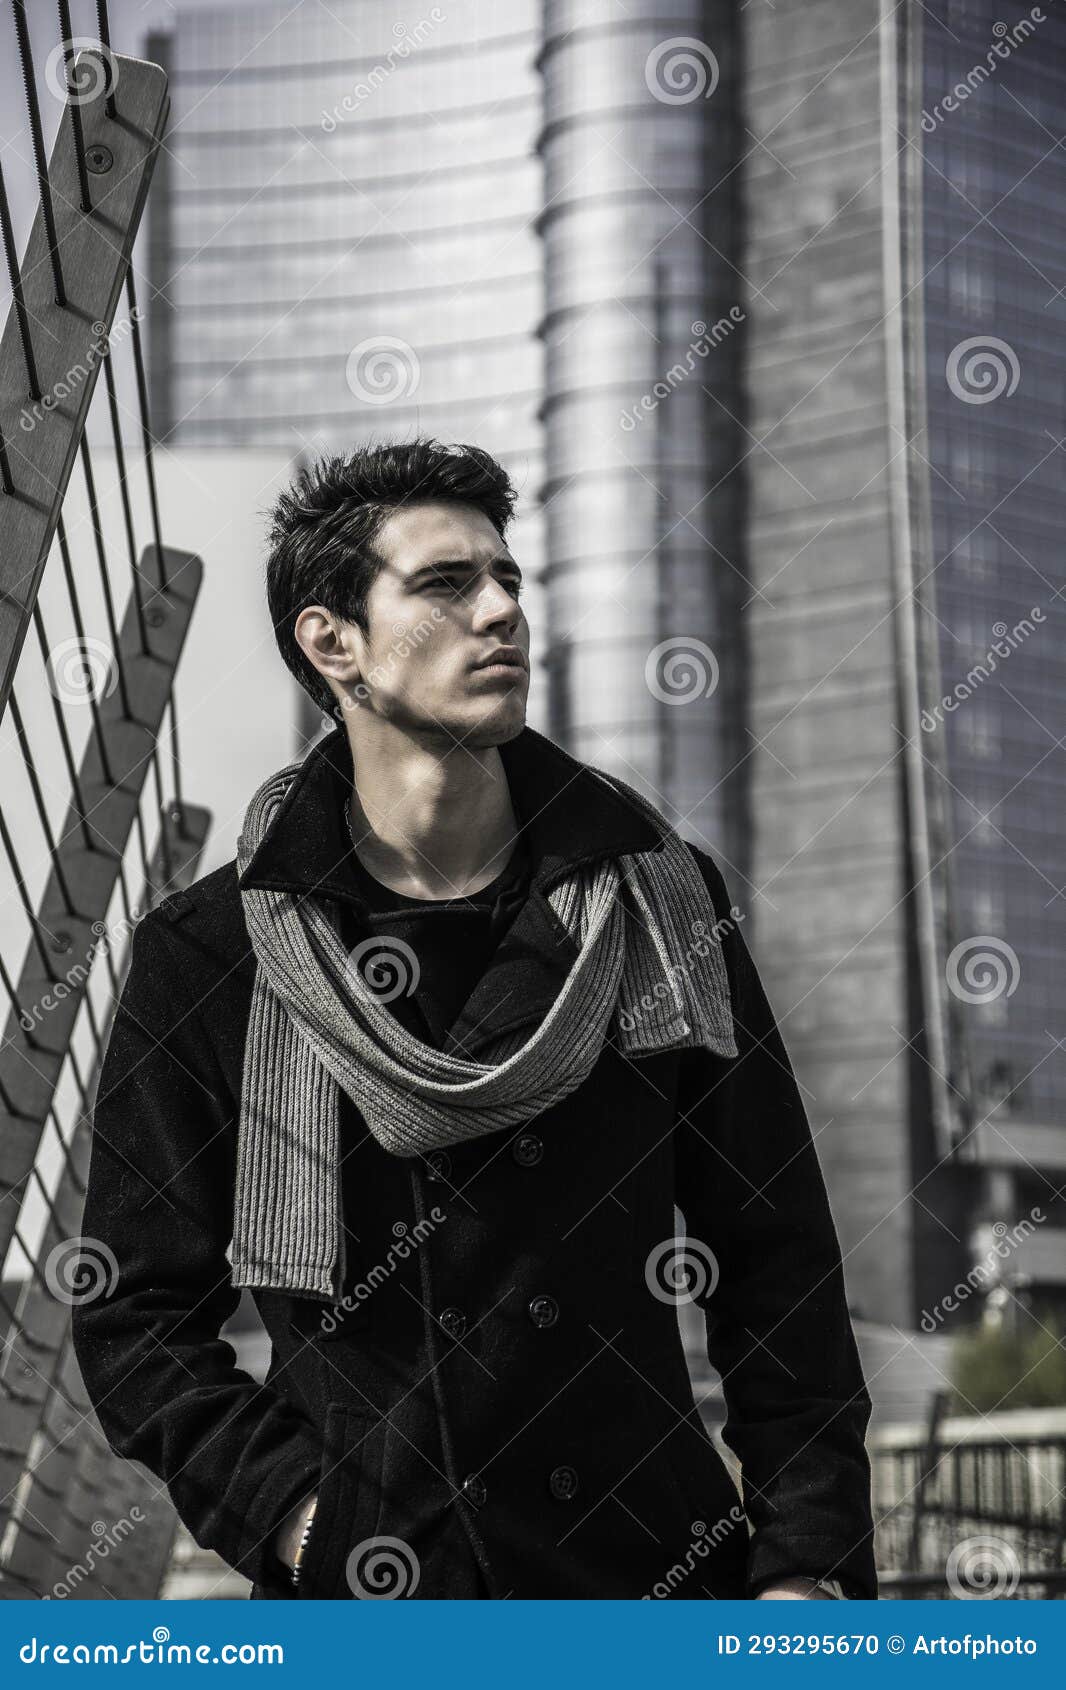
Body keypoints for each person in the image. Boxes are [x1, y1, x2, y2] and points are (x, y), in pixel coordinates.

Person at [72, 438, 877, 1601]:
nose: (502, 609)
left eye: (509, 578)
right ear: (331, 642)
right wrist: (306, 1522)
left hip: (652, 1582)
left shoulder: (656, 897)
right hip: (380, 1602)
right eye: (446, 585)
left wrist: (807, 1573)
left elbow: (776, 1261)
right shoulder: (212, 952)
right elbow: (135, 1311)